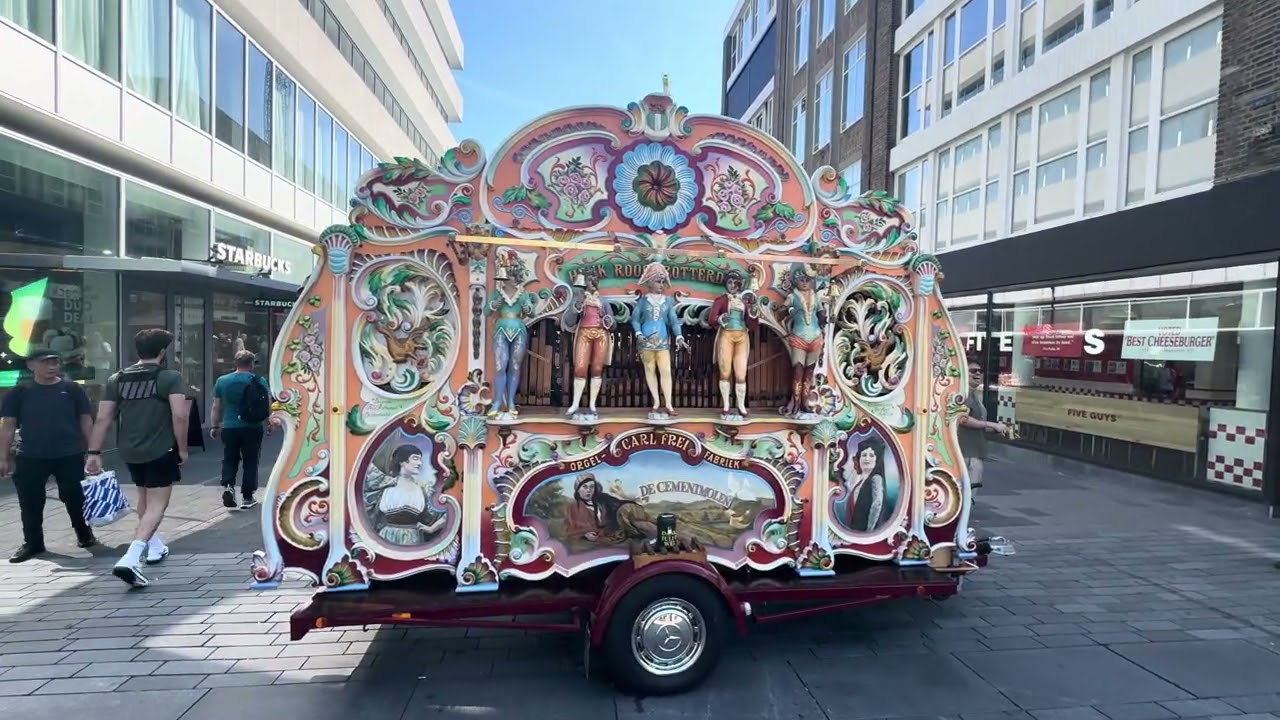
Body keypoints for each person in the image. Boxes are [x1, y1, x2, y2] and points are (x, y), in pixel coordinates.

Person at [86, 328, 189, 587]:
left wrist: (94, 452)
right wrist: (183, 448)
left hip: (129, 451)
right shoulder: (170, 377)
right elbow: (179, 415)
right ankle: (131, 557)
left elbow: (103, 418)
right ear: (163, 351)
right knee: (157, 504)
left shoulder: (116, 378)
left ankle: (155, 547)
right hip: (159, 448)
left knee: (144, 497)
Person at [0, 348, 98, 563]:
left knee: (74, 497)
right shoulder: (19, 393)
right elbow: (8, 425)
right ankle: (33, 543)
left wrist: (93, 451)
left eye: (55, 361)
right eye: (45, 362)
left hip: (69, 453)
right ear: (31, 365)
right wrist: (3, 457)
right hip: (30, 455)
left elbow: (86, 420)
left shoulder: (72, 389)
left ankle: (84, 533)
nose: (52, 365)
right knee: (30, 501)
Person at [211, 350, 267, 510]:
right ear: (252, 364)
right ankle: (247, 497)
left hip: (229, 426)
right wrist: (271, 423)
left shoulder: (222, 381)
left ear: (235, 363)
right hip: (252, 426)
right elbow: (267, 403)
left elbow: (216, 406)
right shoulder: (259, 380)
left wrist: (215, 425)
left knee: (230, 458)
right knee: (250, 461)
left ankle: (228, 485)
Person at [957, 362, 1009, 490]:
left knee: (970, 491)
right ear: (964, 373)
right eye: (973, 371)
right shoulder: (965, 393)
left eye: (980, 371)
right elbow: (963, 419)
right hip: (967, 453)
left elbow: (978, 422)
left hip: (974, 451)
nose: (978, 373)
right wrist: (991, 424)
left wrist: (996, 428)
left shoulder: (973, 393)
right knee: (968, 492)